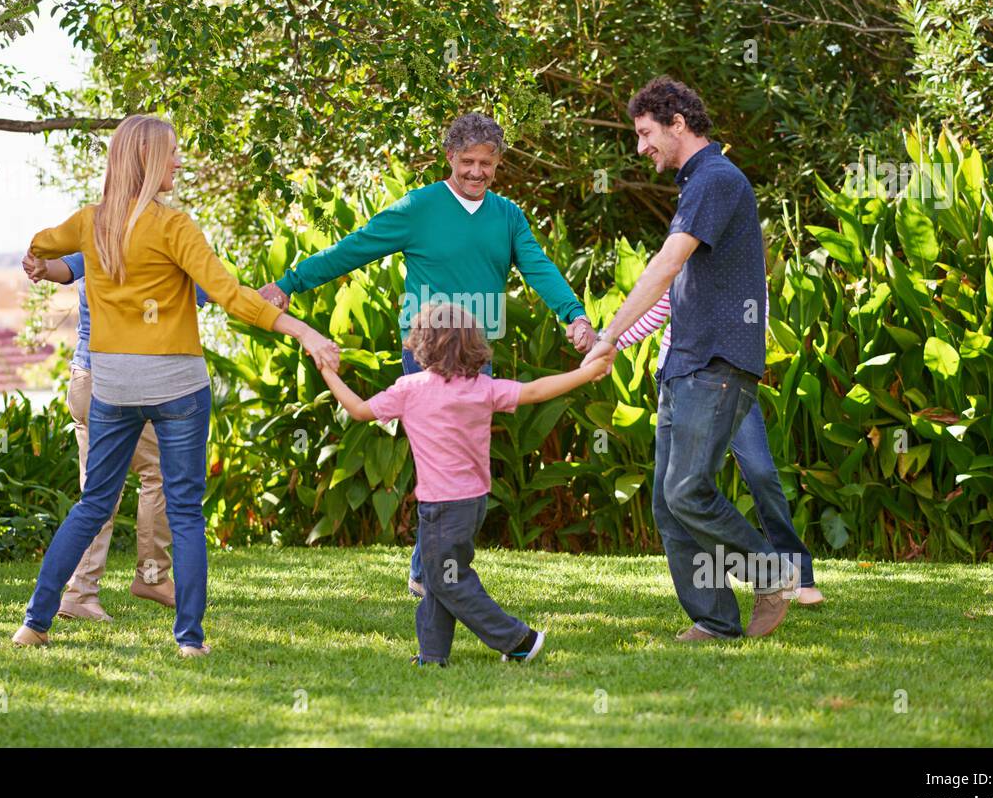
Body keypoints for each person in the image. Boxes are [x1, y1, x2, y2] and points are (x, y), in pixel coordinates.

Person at [11, 114, 339, 656]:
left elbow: (42, 243)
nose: (179, 163)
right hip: (177, 391)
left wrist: (36, 259)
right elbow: (230, 294)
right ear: (146, 162)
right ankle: (189, 639)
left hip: (112, 389)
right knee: (185, 509)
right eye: (171, 154)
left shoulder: (89, 223)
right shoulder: (174, 226)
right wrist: (302, 329)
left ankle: (33, 624)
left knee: (93, 502)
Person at [258, 112, 595, 600]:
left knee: (468, 462)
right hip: (428, 353)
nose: (477, 171)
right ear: (449, 158)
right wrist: (288, 283)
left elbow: (538, 268)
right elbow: (354, 249)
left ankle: (430, 567)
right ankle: (429, 570)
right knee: (439, 460)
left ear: (498, 163)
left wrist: (574, 315)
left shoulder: (508, 216)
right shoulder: (419, 208)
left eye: (487, 163)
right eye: (468, 162)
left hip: (477, 353)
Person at [583, 76, 798, 641]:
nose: (640, 146)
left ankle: (771, 573)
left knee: (687, 490)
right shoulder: (698, 183)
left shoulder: (717, 178)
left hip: (719, 361)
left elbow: (666, 264)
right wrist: (620, 342)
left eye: (645, 132)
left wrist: (610, 336)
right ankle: (715, 620)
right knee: (668, 503)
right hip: (685, 362)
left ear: (677, 122)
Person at [319, 302, 613, 665]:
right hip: (472, 504)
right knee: (435, 577)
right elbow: (535, 391)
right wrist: (587, 373)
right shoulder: (482, 388)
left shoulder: (409, 388)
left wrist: (328, 373)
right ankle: (432, 654)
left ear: (422, 344)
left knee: (447, 579)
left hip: (442, 506)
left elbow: (360, 411)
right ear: (472, 344)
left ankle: (519, 640)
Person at [19, 252, 212, 620]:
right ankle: (151, 577)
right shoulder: (151, 243)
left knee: (97, 490)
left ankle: (81, 592)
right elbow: (203, 291)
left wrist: (41, 267)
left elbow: (61, 269)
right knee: (157, 475)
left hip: (84, 376)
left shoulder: (94, 234)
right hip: (121, 381)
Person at [607, 288, 824, 606]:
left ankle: (799, 575)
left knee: (761, 472)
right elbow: (658, 310)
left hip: (729, 376)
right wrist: (608, 342)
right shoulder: (684, 248)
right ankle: (717, 594)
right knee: (683, 490)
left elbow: (755, 318)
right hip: (681, 379)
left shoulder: (742, 255)